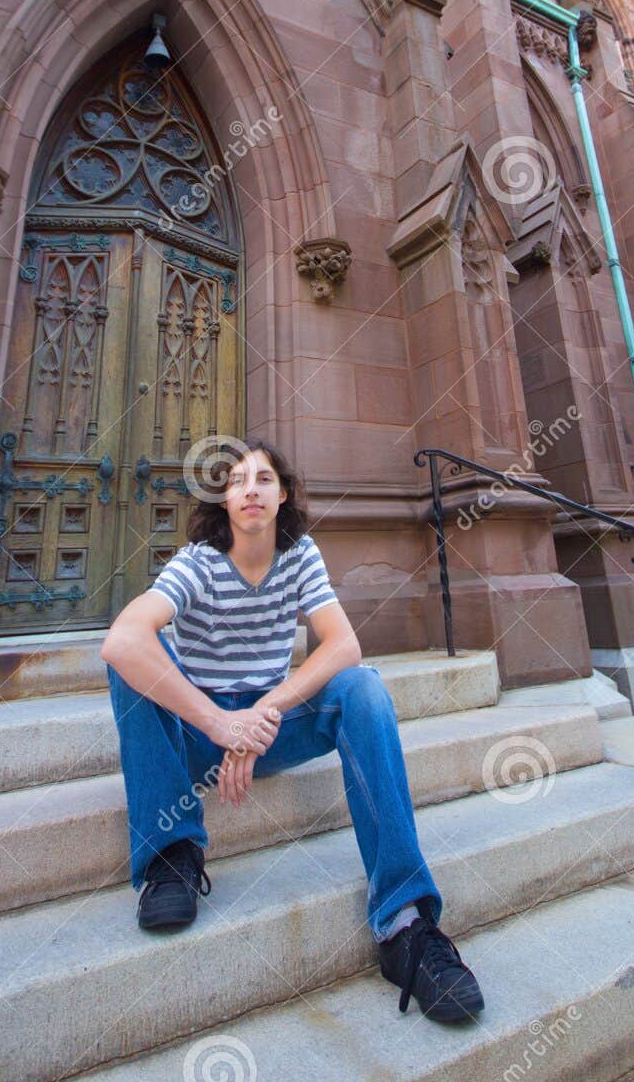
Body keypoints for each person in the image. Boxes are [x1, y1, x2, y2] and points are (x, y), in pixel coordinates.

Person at [101, 438, 484, 1024]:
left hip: (268, 727)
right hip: (199, 734)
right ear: (223, 501)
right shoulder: (199, 560)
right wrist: (222, 724)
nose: (250, 489)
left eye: (263, 479)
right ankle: (170, 855)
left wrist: (260, 717)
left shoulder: (300, 555)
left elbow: (344, 645)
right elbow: (122, 641)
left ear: (283, 495)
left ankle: (406, 923)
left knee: (363, 687)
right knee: (133, 658)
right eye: (235, 481)